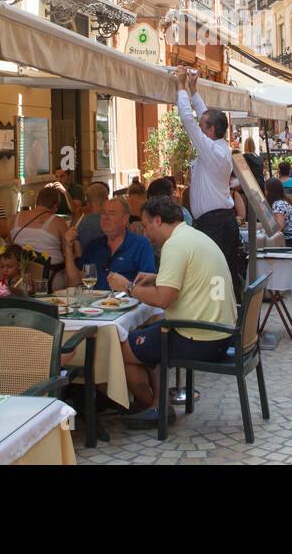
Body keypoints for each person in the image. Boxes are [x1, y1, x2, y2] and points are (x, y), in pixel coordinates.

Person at [110, 197, 237, 428]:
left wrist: (126, 286)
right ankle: (158, 403)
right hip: (219, 333)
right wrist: (157, 279)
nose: (146, 234)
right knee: (148, 333)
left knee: (118, 350)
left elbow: (163, 300)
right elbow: (192, 280)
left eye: (147, 226)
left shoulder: (175, 245)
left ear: (158, 221)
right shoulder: (193, 237)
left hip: (198, 337)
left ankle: (157, 407)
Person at [174, 65, 244, 293]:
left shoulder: (213, 151)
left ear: (211, 130)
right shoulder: (218, 145)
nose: (201, 129)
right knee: (223, 275)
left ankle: (222, 323)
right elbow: (204, 117)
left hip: (215, 224)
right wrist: (194, 91)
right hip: (218, 222)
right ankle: (229, 320)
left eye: (205, 126)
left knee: (216, 279)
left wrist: (181, 86)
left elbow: (188, 120)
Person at [76, 195, 157, 291]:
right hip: (94, 303)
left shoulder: (140, 245)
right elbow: (74, 282)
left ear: (125, 219)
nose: (105, 217)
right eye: (103, 213)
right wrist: (68, 247)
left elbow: (148, 285)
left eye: (112, 213)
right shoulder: (93, 246)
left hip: (127, 303)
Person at [10, 186, 81, 289]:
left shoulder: (16, 218)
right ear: (55, 206)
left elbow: (11, 245)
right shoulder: (57, 221)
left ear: (36, 202)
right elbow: (68, 250)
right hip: (50, 278)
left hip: (19, 278)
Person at [265, 179, 292, 248]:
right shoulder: (284, 200)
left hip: (290, 240)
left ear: (269, 191)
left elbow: (280, 227)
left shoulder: (278, 204)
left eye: (265, 189)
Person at [76, 182, 110, 254]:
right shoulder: (115, 220)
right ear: (107, 200)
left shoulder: (78, 224)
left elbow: (77, 254)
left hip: (86, 263)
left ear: (87, 203)